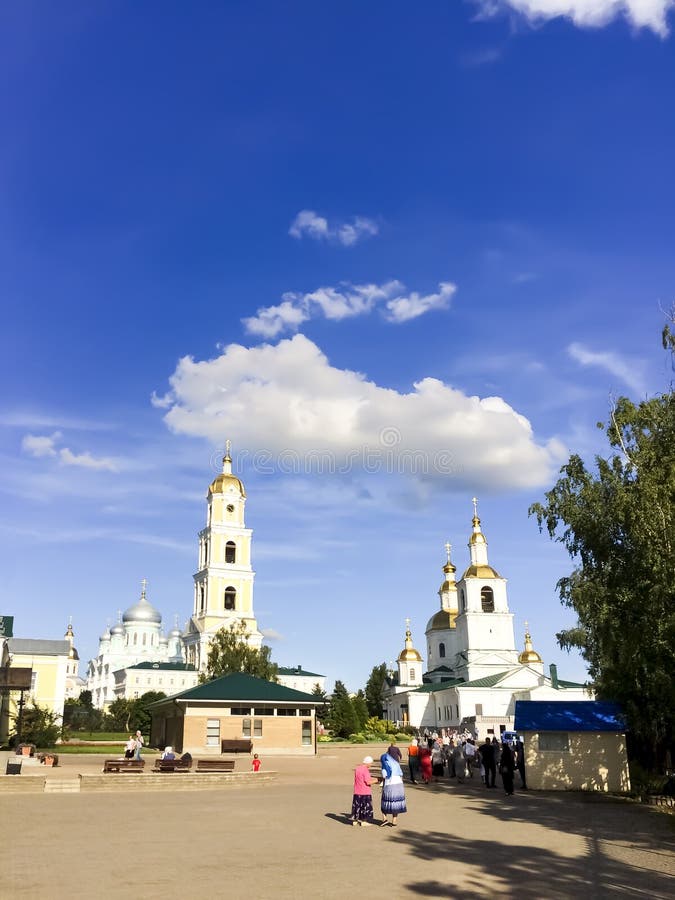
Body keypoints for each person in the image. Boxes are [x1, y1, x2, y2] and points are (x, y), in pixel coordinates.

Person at [379, 750, 407, 826]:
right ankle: (394, 820)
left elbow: (384, 776)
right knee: (396, 803)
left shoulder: (385, 766)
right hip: (399, 785)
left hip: (389, 785)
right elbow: (401, 774)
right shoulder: (396, 763)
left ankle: (384, 818)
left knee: (384, 802)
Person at [351, 755, 375, 827]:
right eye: (371, 763)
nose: (371, 765)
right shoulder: (365, 770)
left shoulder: (358, 768)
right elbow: (368, 782)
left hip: (357, 791)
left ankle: (355, 820)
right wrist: (376, 780)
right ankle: (364, 821)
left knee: (357, 806)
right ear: (367, 763)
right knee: (365, 807)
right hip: (365, 791)